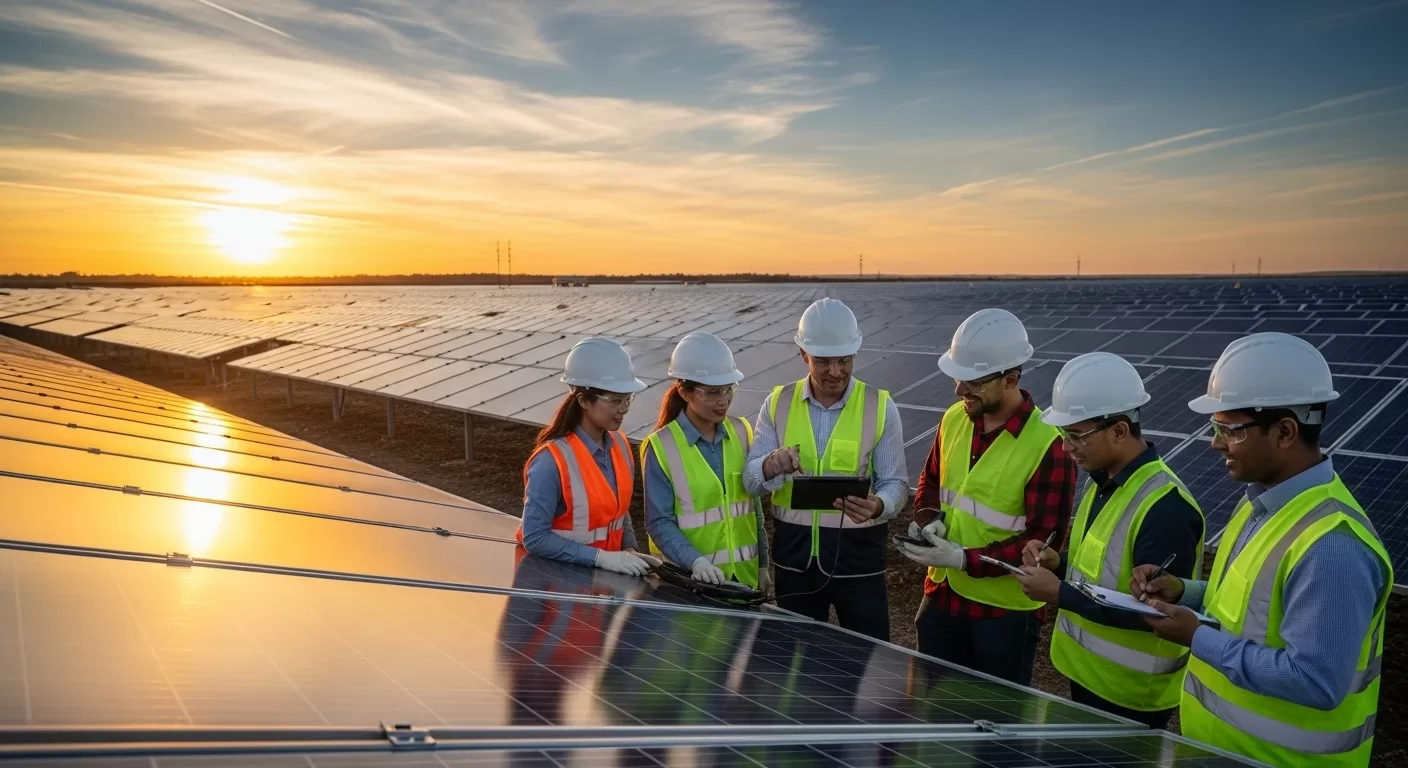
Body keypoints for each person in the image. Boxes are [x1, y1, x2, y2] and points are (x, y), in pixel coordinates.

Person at [1133, 332, 1391, 767]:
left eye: (1229, 430)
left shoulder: (1332, 546)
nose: (1215, 443)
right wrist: (1184, 592)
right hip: (1225, 750)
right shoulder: (1260, 504)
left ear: (1286, 431)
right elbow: (1251, 607)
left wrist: (1196, 637)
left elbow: (1315, 681)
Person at [1007, 352, 1205, 729]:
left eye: (1076, 435)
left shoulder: (1166, 509)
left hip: (1130, 695)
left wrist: (1058, 593)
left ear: (1119, 430)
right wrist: (1058, 563)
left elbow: (1157, 613)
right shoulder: (1105, 482)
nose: (1067, 448)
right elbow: (1102, 568)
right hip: (1092, 677)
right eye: (1065, 436)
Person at [898, 308, 1076, 686]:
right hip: (943, 595)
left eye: (973, 381)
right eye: (959, 379)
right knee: (930, 711)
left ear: (1011, 379)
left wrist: (965, 559)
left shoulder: (1049, 446)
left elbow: (1041, 540)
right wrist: (929, 521)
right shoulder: (953, 419)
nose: (960, 390)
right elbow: (931, 483)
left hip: (1004, 616)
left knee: (995, 723)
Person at [744, 298, 908, 641]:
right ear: (803, 355)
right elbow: (751, 479)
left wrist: (879, 505)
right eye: (823, 361)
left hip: (859, 564)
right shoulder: (777, 404)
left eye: (843, 360)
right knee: (793, 664)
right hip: (795, 564)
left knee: (867, 662)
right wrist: (772, 463)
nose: (835, 371)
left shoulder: (881, 407)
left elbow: (895, 483)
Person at [642, 332, 770, 592]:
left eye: (729, 389)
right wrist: (696, 562)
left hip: (744, 582)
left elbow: (752, 507)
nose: (723, 400)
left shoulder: (742, 431)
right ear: (684, 391)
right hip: (693, 584)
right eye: (712, 393)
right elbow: (658, 522)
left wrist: (763, 567)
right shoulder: (661, 446)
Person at [517, 337, 653, 577]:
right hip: (561, 583)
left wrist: (628, 549)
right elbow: (535, 537)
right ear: (583, 400)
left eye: (627, 399)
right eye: (615, 400)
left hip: (604, 586)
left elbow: (618, 511)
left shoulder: (619, 445)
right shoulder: (551, 461)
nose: (624, 409)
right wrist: (601, 558)